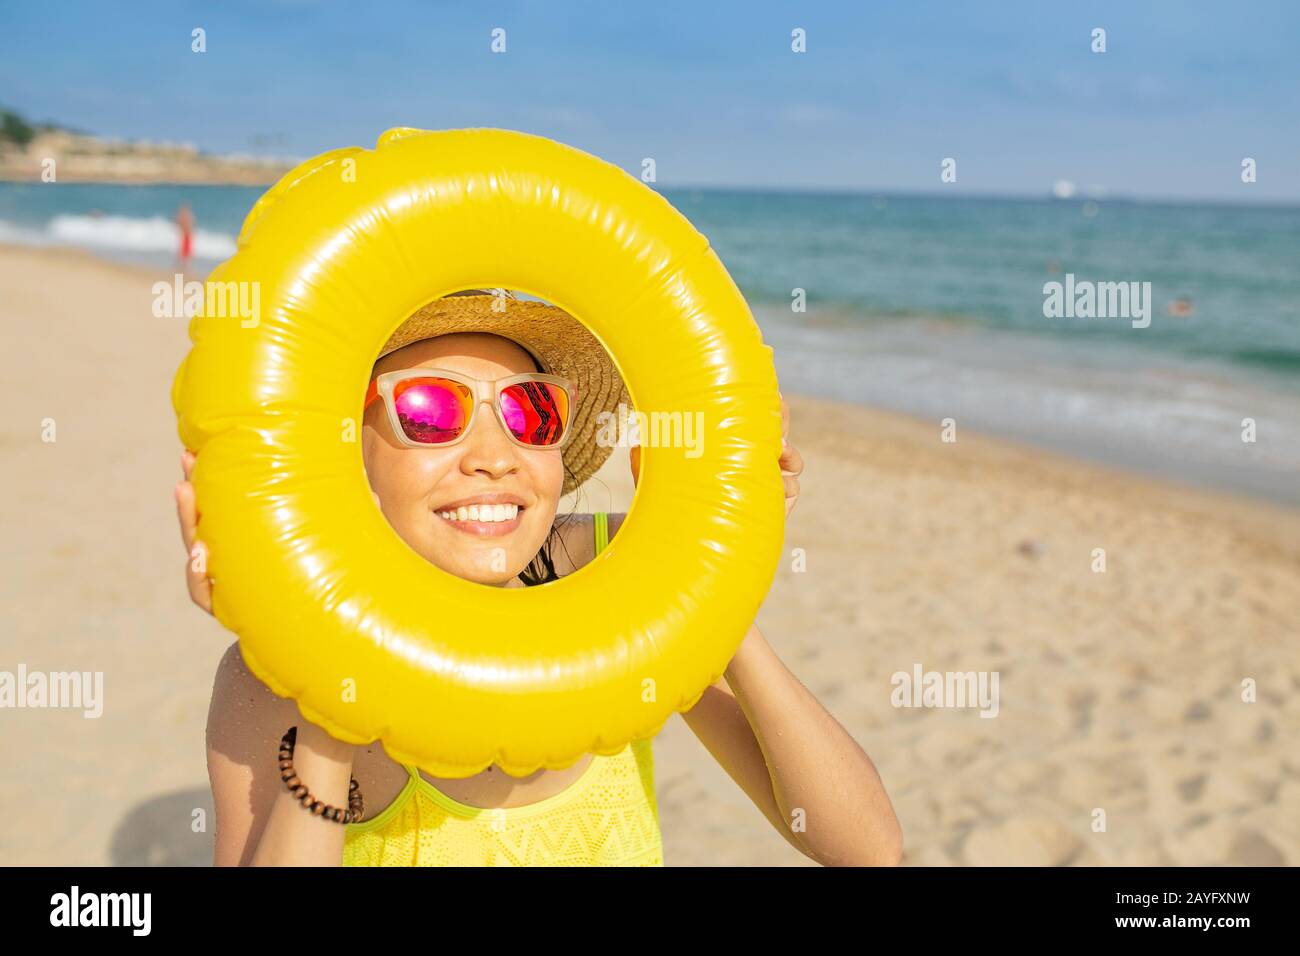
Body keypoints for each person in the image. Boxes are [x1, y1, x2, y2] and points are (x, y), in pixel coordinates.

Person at [175, 289, 903, 866]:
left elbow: (865, 848)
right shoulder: (272, 679)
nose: (494, 454)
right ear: (349, 455)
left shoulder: (608, 589)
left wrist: (711, 574)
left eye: (531, 409)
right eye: (430, 410)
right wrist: (330, 694)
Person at [176, 202, 194, 268]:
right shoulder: (184, 215)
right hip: (185, 234)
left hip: (187, 234)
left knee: (186, 251)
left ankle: (184, 265)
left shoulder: (186, 215)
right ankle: (182, 265)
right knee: (184, 251)